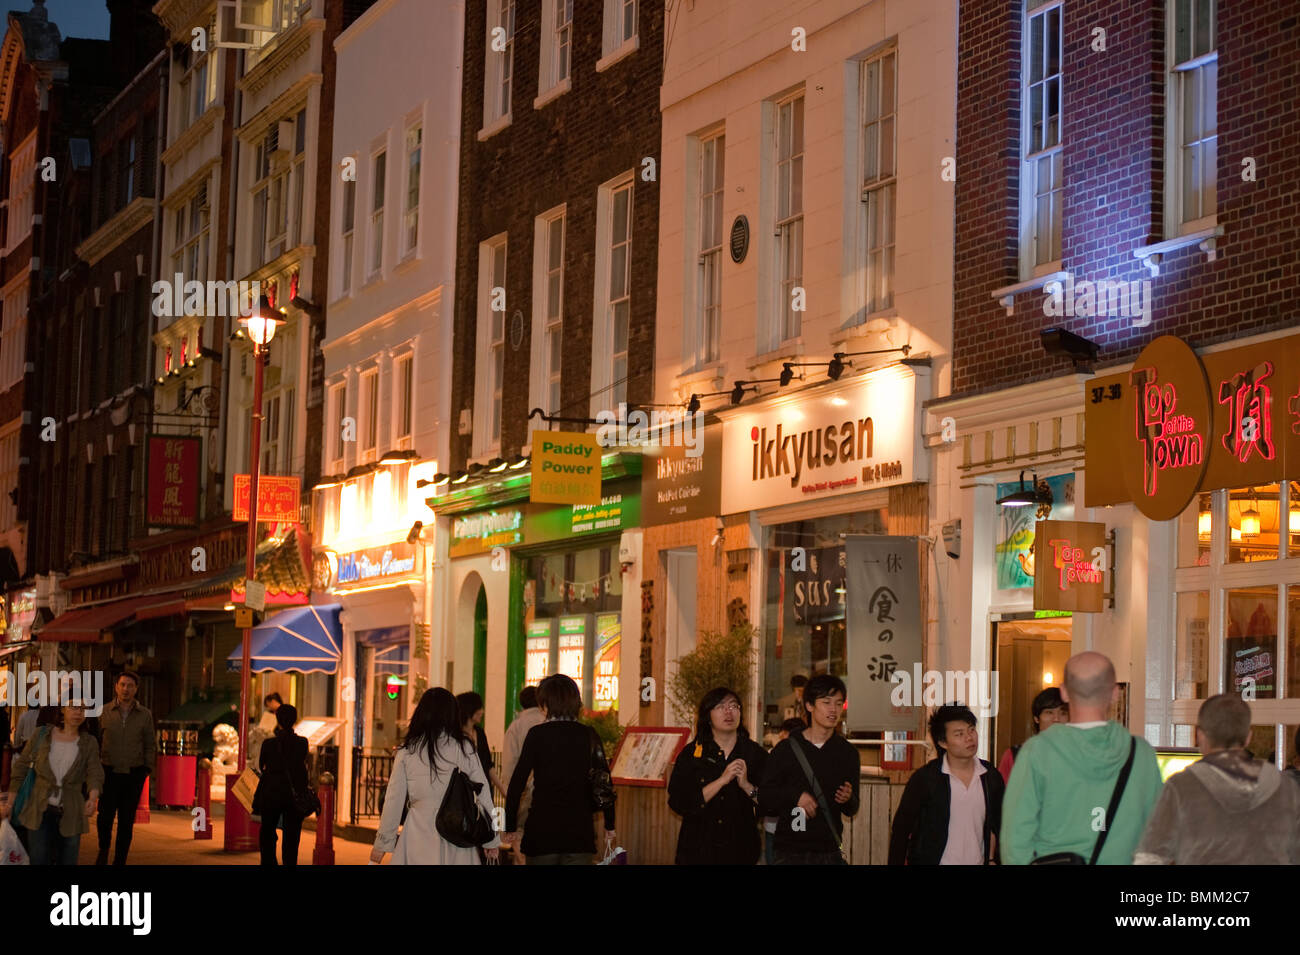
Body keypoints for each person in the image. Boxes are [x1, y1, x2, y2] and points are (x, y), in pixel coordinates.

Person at [1000, 652, 1162, 865]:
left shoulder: (1037, 752)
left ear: (1064, 693)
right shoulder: (1141, 754)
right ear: (1115, 693)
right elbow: (1159, 834)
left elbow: (1015, 841)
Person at [1135, 694, 1300, 864]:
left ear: (1200, 735)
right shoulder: (1286, 788)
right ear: (1248, 737)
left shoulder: (1181, 788)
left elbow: (1149, 858)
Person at [369, 688, 500, 865]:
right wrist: (493, 839)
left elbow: (394, 801)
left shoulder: (407, 752)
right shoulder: (464, 748)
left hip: (417, 832)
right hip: (458, 833)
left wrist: (382, 843)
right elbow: (484, 795)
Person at [504, 674, 615, 865]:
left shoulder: (537, 735)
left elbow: (517, 783)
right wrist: (609, 824)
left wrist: (510, 827)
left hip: (542, 833)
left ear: (545, 704)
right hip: (579, 834)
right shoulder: (589, 735)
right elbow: (603, 783)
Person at [760, 673, 861, 865]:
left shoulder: (848, 753)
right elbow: (764, 799)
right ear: (809, 705)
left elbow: (852, 808)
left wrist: (848, 798)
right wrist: (795, 796)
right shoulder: (786, 749)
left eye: (839, 704)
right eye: (826, 702)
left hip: (829, 851)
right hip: (789, 852)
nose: (834, 710)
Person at [888, 703, 1004, 865]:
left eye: (971, 730)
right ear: (943, 742)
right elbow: (901, 831)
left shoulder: (990, 776)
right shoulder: (925, 779)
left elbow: (1001, 827)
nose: (969, 738)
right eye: (959, 734)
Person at [668, 687, 768, 865]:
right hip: (698, 850)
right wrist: (721, 781)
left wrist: (746, 785)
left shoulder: (754, 753)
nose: (729, 712)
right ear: (708, 715)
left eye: (734, 706)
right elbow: (678, 802)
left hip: (741, 850)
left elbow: (771, 804)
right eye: (721, 706)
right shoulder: (691, 754)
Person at [1, 701, 103, 865]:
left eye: (83, 709)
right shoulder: (42, 734)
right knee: (39, 859)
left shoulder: (89, 742)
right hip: (39, 808)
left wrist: (92, 798)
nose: (79, 712)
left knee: (68, 860)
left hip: (72, 810)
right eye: (74, 707)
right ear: (62, 709)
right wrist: (10, 804)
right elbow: (21, 769)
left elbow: (95, 773)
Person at [96, 671, 155, 866]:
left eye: (130, 686)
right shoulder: (104, 711)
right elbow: (95, 740)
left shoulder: (145, 715)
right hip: (108, 772)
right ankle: (103, 849)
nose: (125, 689)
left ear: (136, 689)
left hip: (133, 774)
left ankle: (120, 860)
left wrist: (146, 769)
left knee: (126, 821)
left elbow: (149, 744)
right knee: (104, 817)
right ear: (116, 687)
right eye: (122, 685)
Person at [252, 703, 310, 866]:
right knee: (292, 834)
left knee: (268, 831)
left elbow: (262, 764)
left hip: (271, 792)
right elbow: (302, 762)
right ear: (294, 720)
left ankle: (269, 862)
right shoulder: (302, 743)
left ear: (277, 719)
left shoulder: (268, 744)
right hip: (293, 794)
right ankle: (289, 862)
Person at [501, 685, 545, 859]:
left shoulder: (516, 726)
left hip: (523, 791)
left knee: (519, 833)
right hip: (544, 790)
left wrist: (510, 792)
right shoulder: (546, 722)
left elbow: (510, 763)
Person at [998, 687, 1067, 785]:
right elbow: (1002, 797)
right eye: (1049, 712)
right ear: (1036, 718)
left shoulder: (1079, 755)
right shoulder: (1015, 756)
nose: (1056, 719)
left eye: (1063, 713)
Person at [763, 718, 807, 864]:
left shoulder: (805, 759)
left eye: (784, 732)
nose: (781, 735)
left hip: (789, 826)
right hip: (778, 825)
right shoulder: (775, 755)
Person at [457, 691, 505, 798]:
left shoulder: (480, 733)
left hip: (483, 791)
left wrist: (502, 788)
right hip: (463, 793)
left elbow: (487, 764)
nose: (482, 712)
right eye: (479, 708)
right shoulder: (455, 736)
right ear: (470, 710)